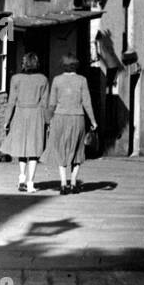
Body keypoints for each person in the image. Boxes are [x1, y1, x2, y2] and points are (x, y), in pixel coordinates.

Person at [46, 54, 98, 195]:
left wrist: (48, 120)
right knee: (78, 150)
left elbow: (52, 104)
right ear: (76, 65)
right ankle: (74, 183)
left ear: (63, 65)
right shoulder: (82, 80)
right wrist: (93, 121)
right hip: (77, 118)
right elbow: (87, 102)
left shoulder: (57, 80)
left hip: (60, 118)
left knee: (61, 149)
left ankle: (63, 184)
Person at [2, 53, 49, 192]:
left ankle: (21, 178)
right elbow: (45, 103)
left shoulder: (16, 79)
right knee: (34, 151)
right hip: (36, 115)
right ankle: (30, 183)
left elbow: (11, 101)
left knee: (21, 149)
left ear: (24, 64)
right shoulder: (43, 79)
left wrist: (7, 120)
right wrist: (48, 121)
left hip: (20, 114)